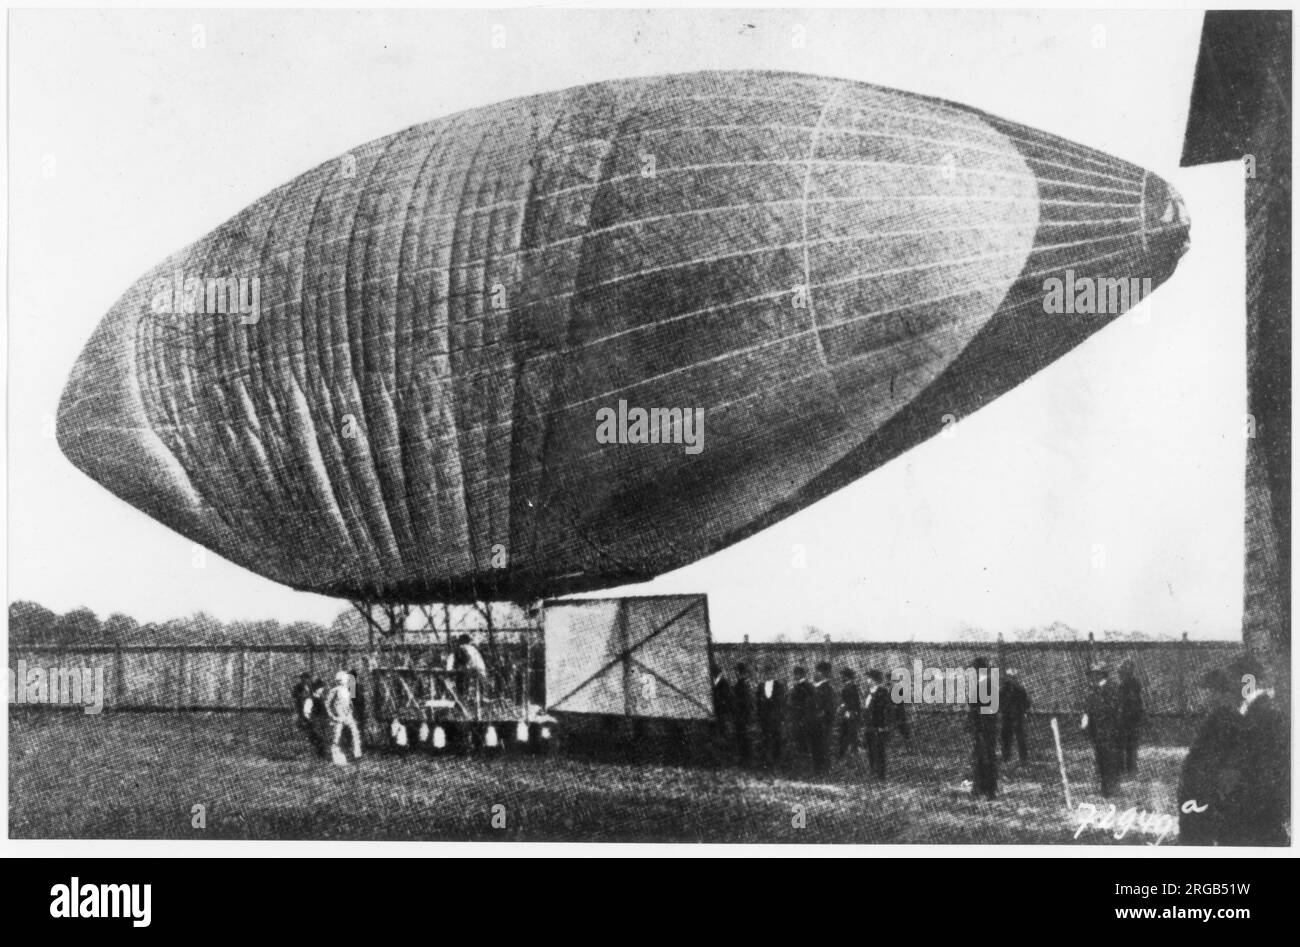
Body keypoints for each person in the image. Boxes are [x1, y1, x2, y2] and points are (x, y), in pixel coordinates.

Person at [1178, 668, 1248, 845]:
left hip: (1203, 791)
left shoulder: (1221, 717)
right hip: (1204, 790)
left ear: (1215, 692)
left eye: (1204, 691)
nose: (1201, 696)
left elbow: (1214, 758)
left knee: (1197, 838)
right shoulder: (1227, 715)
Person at [1082, 663, 1122, 797]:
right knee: (1100, 759)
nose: (1093, 676)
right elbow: (1088, 707)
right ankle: (1105, 787)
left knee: (1110, 760)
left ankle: (1111, 789)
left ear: (1102, 674)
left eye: (1095, 673)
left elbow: (1112, 708)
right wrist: (1086, 716)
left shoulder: (1112, 688)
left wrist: (1094, 712)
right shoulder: (1093, 690)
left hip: (1110, 731)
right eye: (1092, 674)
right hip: (1097, 731)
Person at [968, 658, 998, 799]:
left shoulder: (983, 685)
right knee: (988, 757)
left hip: (982, 728)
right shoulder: (991, 684)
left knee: (982, 758)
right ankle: (987, 789)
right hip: (989, 728)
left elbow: (976, 709)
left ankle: (981, 789)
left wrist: (975, 726)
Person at [325, 670, 363, 764]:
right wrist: (332, 716)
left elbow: (350, 704)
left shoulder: (348, 690)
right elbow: (327, 704)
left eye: (344, 680)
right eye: (341, 680)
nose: (343, 681)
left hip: (348, 716)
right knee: (336, 736)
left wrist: (351, 713)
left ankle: (357, 754)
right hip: (339, 717)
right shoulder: (334, 690)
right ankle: (335, 756)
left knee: (355, 733)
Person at [755, 662, 786, 769]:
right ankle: (766, 764)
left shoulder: (779, 686)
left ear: (774, 673)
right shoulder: (760, 687)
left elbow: (782, 703)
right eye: (766, 672)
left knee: (776, 740)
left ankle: (777, 763)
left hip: (776, 719)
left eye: (770, 671)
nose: (768, 674)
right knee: (765, 740)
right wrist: (760, 716)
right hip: (764, 719)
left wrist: (780, 717)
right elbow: (758, 704)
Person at [1116, 659, 1144, 774]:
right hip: (1129, 717)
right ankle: (1128, 768)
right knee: (1128, 744)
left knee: (1128, 744)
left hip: (1130, 717)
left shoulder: (1129, 684)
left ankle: (1128, 768)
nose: (1120, 674)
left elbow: (1134, 700)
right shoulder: (1128, 684)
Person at [862, 670, 891, 779]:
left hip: (878, 726)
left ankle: (881, 774)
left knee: (880, 750)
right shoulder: (868, 691)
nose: (867, 680)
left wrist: (882, 726)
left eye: (869, 678)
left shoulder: (882, 691)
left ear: (874, 679)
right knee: (870, 749)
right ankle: (872, 771)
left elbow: (885, 710)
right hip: (869, 725)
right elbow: (866, 708)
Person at [999, 669, 1031, 763]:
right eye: (1010, 677)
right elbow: (999, 703)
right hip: (1007, 716)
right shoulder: (1003, 690)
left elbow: (1026, 703)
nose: (1012, 679)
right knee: (1006, 737)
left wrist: (1021, 710)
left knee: (1020, 737)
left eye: (1013, 677)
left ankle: (1023, 758)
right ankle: (1006, 757)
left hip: (1017, 716)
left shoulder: (1020, 690)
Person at [811, 662, 836, 776]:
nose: (816, 673)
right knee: (816, 745)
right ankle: (818, 770)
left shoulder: (827, 688)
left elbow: (829, 706)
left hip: (823, 722)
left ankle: (824, 771)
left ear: (824, 673)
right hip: (815, 721)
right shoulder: (816, 686)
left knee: (823, 746)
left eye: (818, 671)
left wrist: (823, 714)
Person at [789, 665, 814, 767]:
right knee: (801, 741)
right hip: (800, 718)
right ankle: (803, 765)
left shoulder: (804, 686)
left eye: (796, 674)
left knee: (803, 741)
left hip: (802, 718)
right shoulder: (801, 686)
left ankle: (805, 766)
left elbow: (807, 703)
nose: (794, 676)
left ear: (800, 674)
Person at [837, 668, 862, 760]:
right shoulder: (849, 686)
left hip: (850, 715)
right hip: (849, 714)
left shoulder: (850, 687)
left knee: (849, 735)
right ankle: (847, 755)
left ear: (846, 676)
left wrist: (847, 710)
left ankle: (850, 756)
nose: (841, 677)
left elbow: (853, 702)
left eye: (842, 675)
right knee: (848, 735)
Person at [732, 662, 753, 765]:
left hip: (742, 716)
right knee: (743, 737)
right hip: (743, 716)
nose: (736, 673)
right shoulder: (744, 684)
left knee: (743, 737)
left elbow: (745, 701)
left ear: (739, 672)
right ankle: (745, 759)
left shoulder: (741, 685)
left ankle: (745, 760)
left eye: (737, 671)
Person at [711, 662, 733, 746]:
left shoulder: (724, 683)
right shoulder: (716, 682)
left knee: (723, 725)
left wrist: (723, 705)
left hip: (722, 708)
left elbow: (726, 696)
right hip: (718, 708)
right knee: (720, 725)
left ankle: (726, 743)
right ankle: (722, 741)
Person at [349, 667, 368, 746]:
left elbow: (352, 699)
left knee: (356, 727)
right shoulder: (359, 686)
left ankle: (357, 744)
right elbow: (362, 698)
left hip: (356, 709)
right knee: (360, 727)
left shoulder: (352, 686)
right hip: (360, 708)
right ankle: (361, 744)